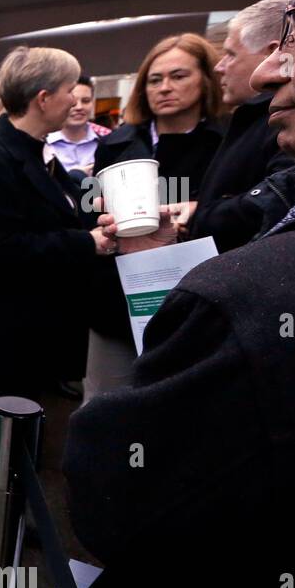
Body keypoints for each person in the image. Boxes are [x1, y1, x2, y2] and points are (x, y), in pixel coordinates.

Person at [31, 0, 295, 588]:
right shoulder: (118, 147)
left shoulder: (256, 295)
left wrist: (202, 244)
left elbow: (113, 491)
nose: (275, 70)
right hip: (122, 314)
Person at [0, 47, 114, 568]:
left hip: (28, 327)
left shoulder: (34, 150)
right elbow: (1, 249)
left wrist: (101, 215)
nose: (78, 100)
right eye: (70, 91)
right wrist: (88, 244)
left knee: (23, 429)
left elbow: (63, 208)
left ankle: (14, 517)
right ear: (44, 98)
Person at [85, 34, 224, 401]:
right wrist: (100, 222)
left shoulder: (225, 143)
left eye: (179, 76)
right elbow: (87, 211)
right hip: (119, 297)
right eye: (154, 79)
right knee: (109, 401)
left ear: (206, 80)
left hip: (196, 295)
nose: (165, 88)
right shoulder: (115, 143)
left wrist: (193, 214)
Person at [183, 0, 295, 251]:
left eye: (230, 55)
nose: (219, 67)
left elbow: (284, 198)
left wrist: (208, 215)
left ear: (274, 54)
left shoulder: (283, 121)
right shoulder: (251, 117)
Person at [45, 75, 110, 177]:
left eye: (86, 101)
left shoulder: (108, 139)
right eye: (73, 101)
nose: (79, 107)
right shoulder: (43, 142)